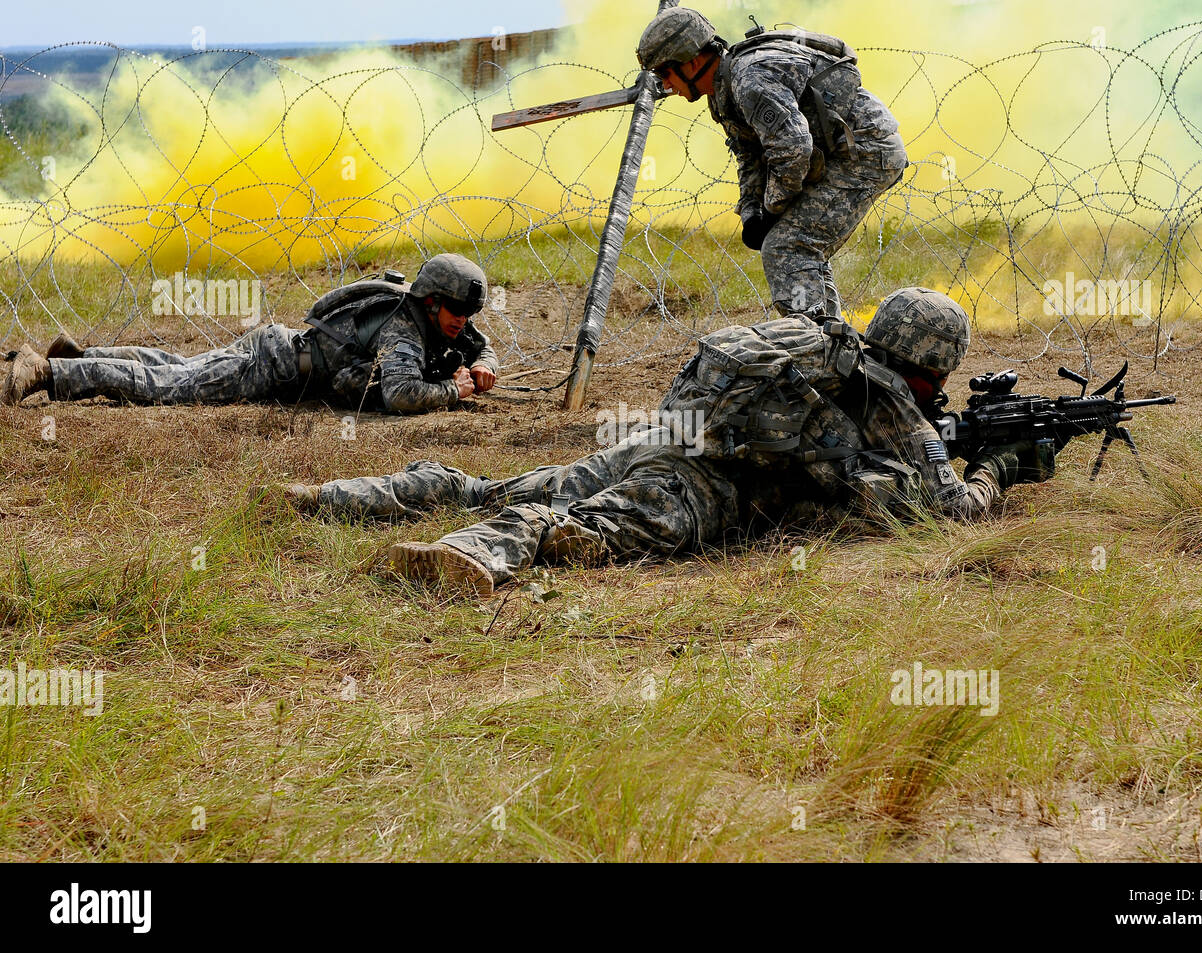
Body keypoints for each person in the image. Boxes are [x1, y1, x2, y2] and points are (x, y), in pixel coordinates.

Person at [255, 288, 1051, 598]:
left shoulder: (825, 347)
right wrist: (1001, 467)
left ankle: (337, 498)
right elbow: (951, 513)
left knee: (508, 484)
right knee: (578, 526)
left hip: (660, 436)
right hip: (700, 489)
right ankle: (469, 556)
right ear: (932, 363)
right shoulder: (892, 408)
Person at [635, 7, 909, 319]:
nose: (665, 85)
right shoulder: (723, 89)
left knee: (788, 248)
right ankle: (826, 340)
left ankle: (812, 344)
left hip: (866, 153)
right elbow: (750, 154)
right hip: (840, 153)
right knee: (797, 247)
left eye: (664, 73)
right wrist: (752, 211)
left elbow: (793, 149)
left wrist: (772, 208)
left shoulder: (749, 81)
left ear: (693, 61)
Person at [2, 253, 499, 413]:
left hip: (279, 349)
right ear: (432, 301)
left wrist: (484, 366)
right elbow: (401, 394)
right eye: (456, 310)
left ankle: (84, 354)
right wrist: (449, 392)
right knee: (167, 388)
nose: (462, 320)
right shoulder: (405, 332)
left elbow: (481, 345)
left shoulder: (439, 322)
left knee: (176, 365)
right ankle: (47, 370)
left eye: (467, 312)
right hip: (272, 367)